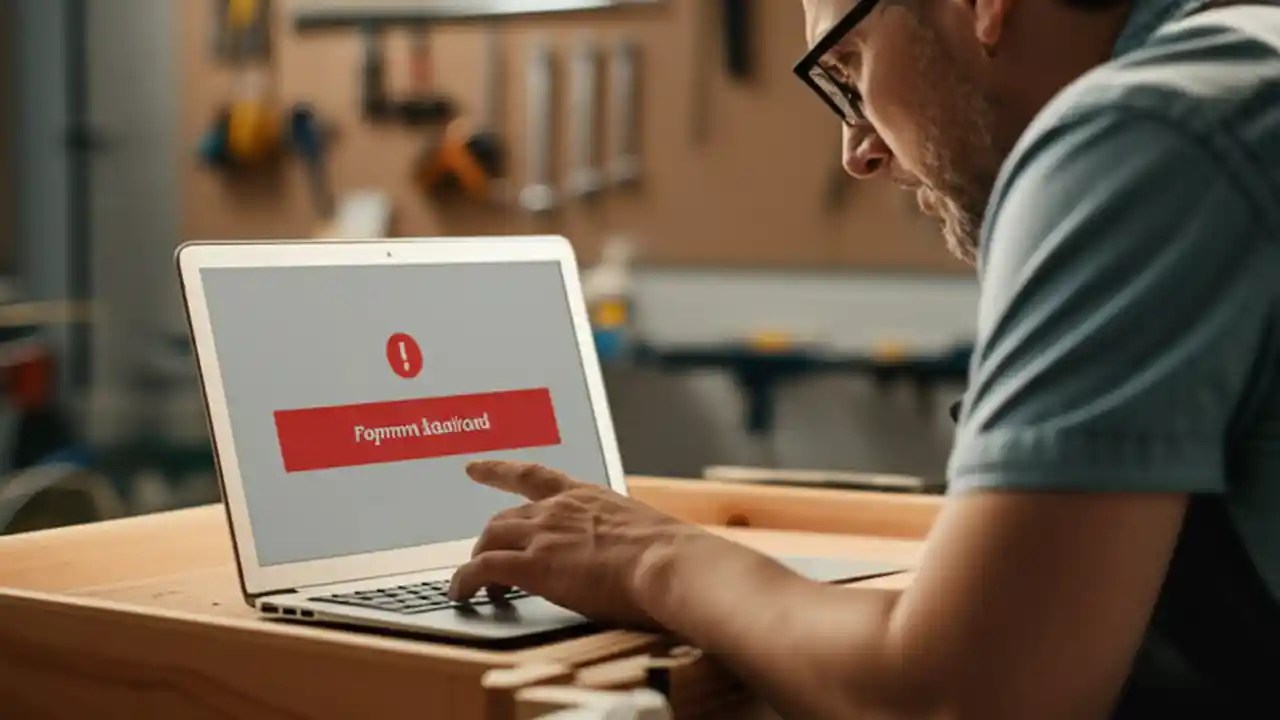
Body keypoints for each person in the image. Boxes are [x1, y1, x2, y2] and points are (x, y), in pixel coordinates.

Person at [448, 0, 1280, 716]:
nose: (859, 151)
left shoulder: (1145, 133)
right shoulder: (1245, 64)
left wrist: (647, 556)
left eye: (847, 65)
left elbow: (953, 699)